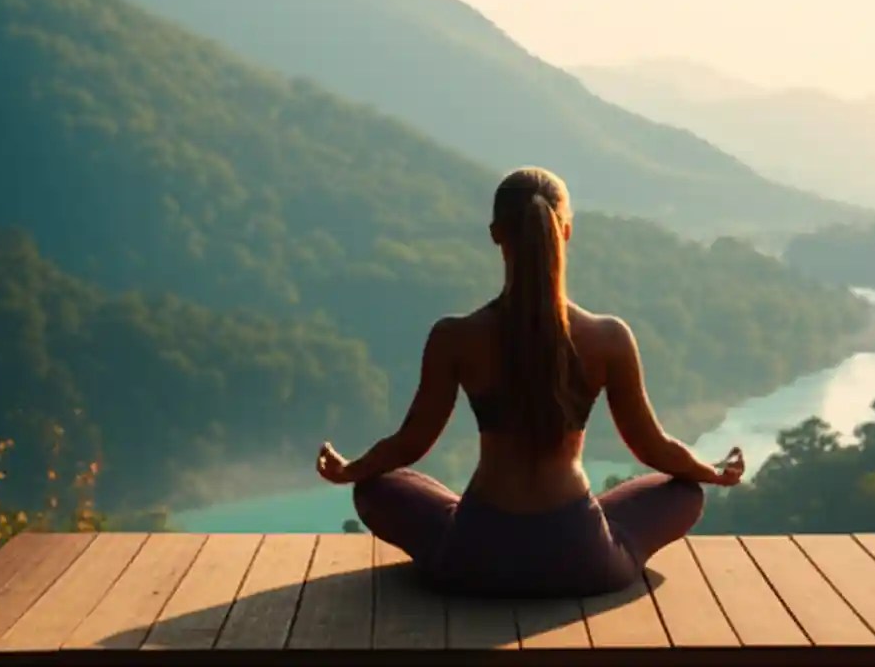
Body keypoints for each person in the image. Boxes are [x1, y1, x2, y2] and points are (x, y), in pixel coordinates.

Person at [316, 166, 745, 597]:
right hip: (582, 560)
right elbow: (652, 447)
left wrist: (352, 469)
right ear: (567, 231)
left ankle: (457, 542)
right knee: (686, 493)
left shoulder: (455, 337)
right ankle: (615, 553)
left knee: (375, 488)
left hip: (474, 559)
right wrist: (711, 472)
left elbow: (411, 442)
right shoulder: (608, 338)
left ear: (496, 233)